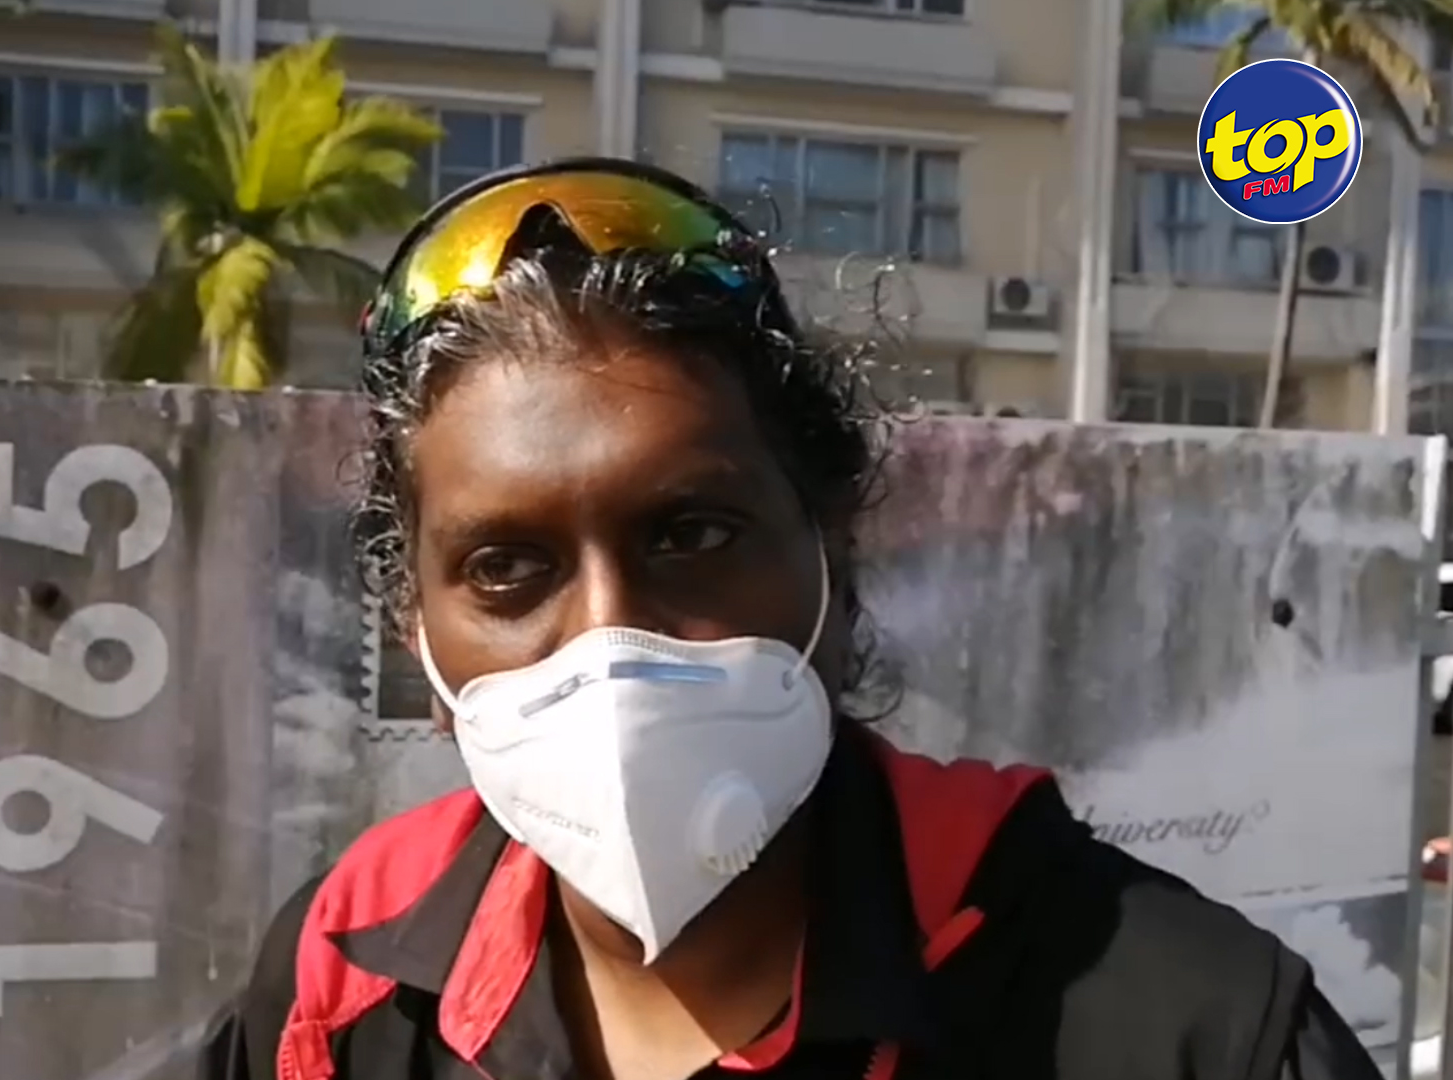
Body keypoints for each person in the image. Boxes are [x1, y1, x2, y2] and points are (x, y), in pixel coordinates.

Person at [200, 158, 1381, 1080]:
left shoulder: (1182, 1025)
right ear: (418, 632)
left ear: (832, 550)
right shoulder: (341, 988)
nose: (612, 643)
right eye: (507, 567)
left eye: (691, 535)